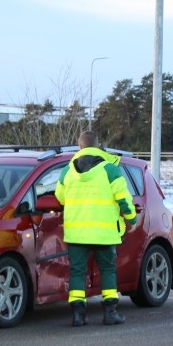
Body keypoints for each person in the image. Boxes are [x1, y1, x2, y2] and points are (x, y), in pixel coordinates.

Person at [55, 131, 137, 327]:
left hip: (76, 233)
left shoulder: (68, 171)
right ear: (98, 145)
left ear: (79, 146)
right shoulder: (110, 170)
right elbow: (123, 198)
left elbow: (60, 197)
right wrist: (131, 218)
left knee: (77, 272)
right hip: (104, 232)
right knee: (108, 269)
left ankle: (78, 315)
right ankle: (110, 312)